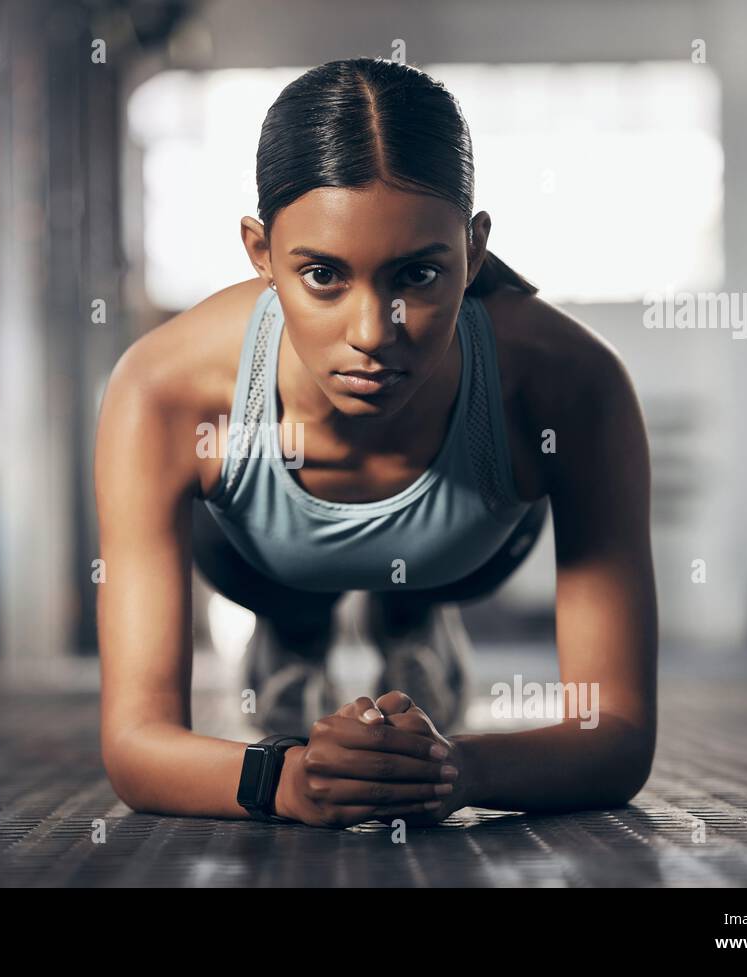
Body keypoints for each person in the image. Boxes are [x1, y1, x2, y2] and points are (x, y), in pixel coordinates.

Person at [95, 57, 657, 829]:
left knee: (417, 580)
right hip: (258, 559)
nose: (371, 334)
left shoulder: (572, 383)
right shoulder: (163, 388)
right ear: (260, 253)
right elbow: (134, 745)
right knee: (281, 579)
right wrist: (286, 778)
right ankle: (294, 623)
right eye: (323, 274)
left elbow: (619, 737)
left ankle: (411, 613)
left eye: (419, 274)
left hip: (462, 556)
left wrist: (455, 769)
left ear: (475, 251)